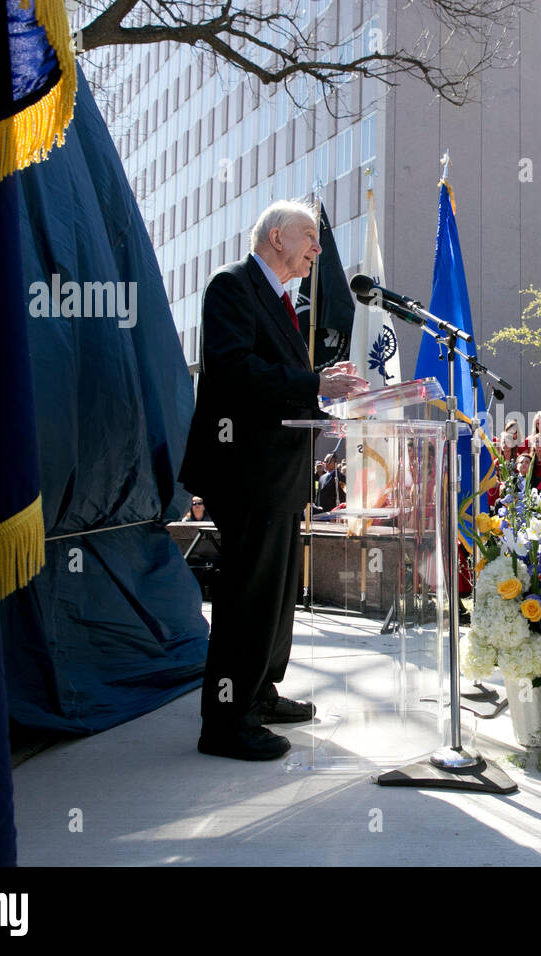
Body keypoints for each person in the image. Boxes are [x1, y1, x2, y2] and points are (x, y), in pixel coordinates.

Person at [179, 199, 368, 761]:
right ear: (277, 237)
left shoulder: (283, 299)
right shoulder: (230, 286)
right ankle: (225, 723)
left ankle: (259, 691)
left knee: (278, 594)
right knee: (246, 597)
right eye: (309, 237)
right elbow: (233, 369)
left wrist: (319, 393)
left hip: (279, 472)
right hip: (246, 471)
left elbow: (283, 382)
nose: (316, 248)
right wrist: (314, 385)